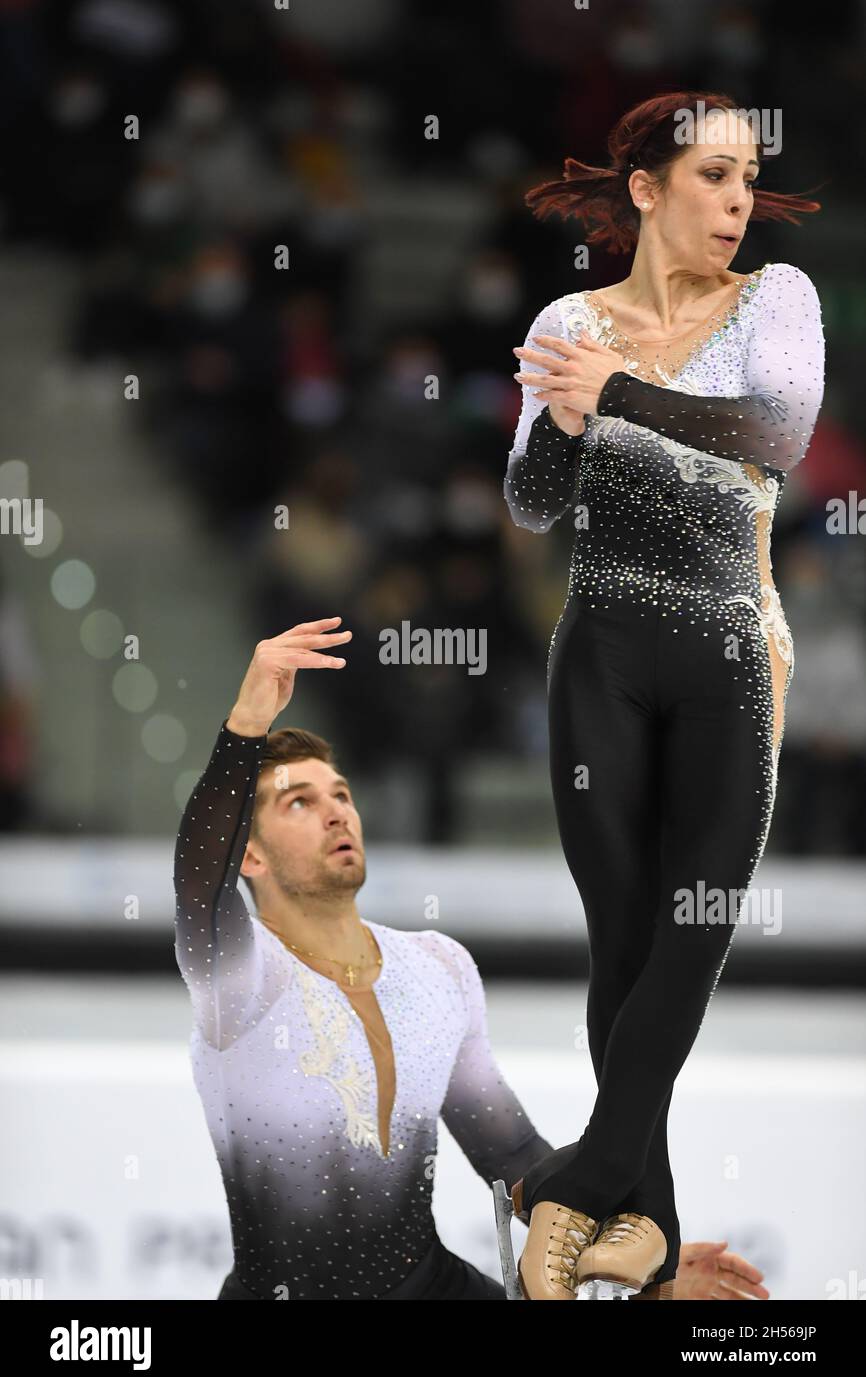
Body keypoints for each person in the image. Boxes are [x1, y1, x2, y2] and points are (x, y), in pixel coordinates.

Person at [173, 618, 762, 1300]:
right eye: (299, 803)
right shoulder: (243, 980)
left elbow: (509, 1156)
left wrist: (636, 1253)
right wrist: (246, 722)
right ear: (248, 855)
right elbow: (197, 886)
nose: (337, 813)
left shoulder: (435, 968)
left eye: (341, 794)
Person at [500, 91, 825, 1300]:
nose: (738, 203)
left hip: (732, 649)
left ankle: (578, 1185)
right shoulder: (567, 321)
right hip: (600, 647)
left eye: (748, 180)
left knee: (692, 929)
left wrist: (618, 394)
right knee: (622, 940)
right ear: (645, 189)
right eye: (711, 178)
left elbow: (775, 435)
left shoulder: (773, 303)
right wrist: (567, 415)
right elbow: (532, 498)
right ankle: (647, 1224)